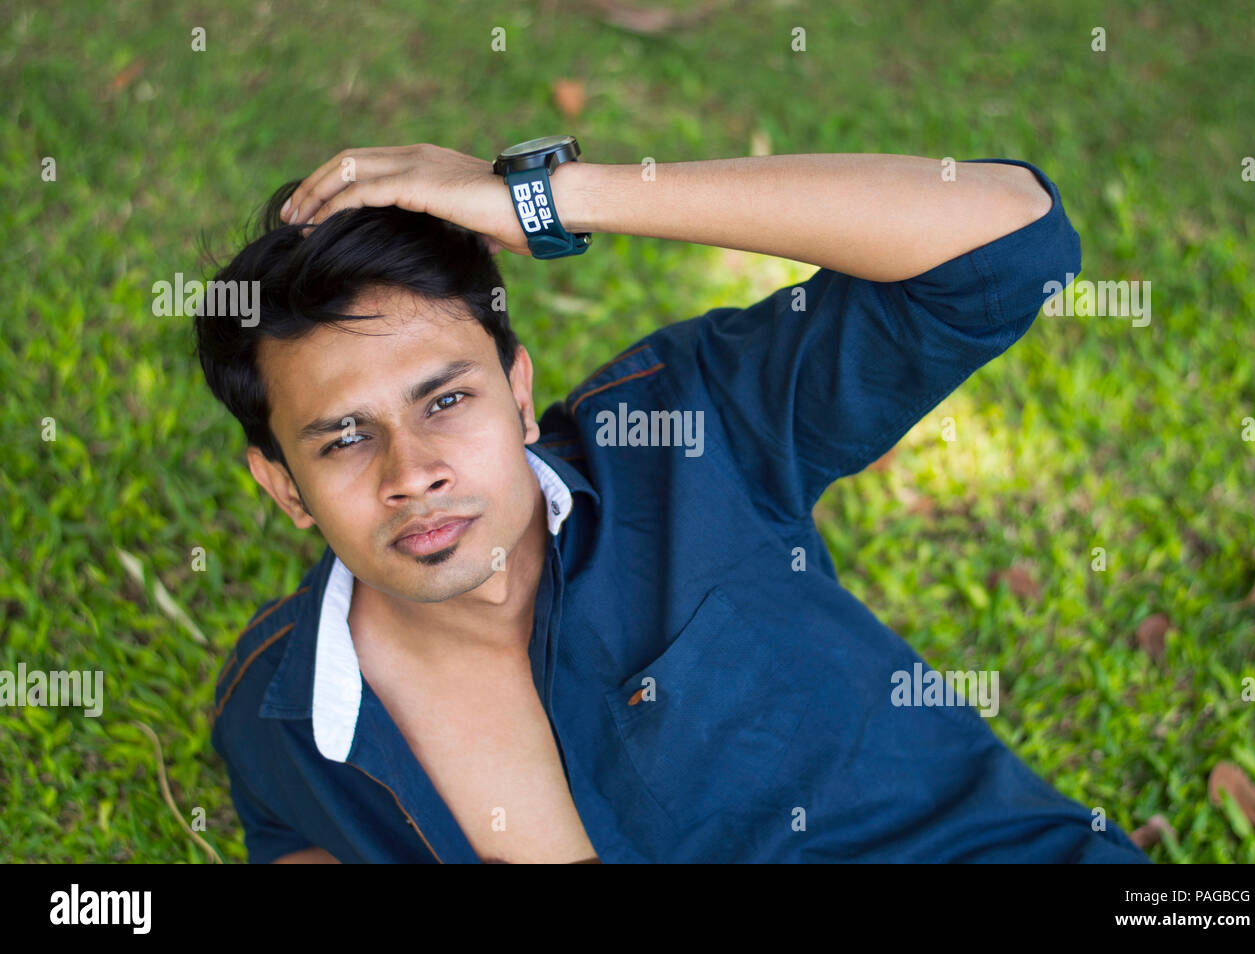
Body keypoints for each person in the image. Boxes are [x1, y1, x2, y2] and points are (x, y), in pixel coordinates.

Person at [198, 143, 1151, 863]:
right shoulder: (282, 717)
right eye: (346, 438)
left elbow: (1013, 242)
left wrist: (553, 198)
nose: (414, 472)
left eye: (447, 401)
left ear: (519, 395)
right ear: (285, 486)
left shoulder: (687, 435)